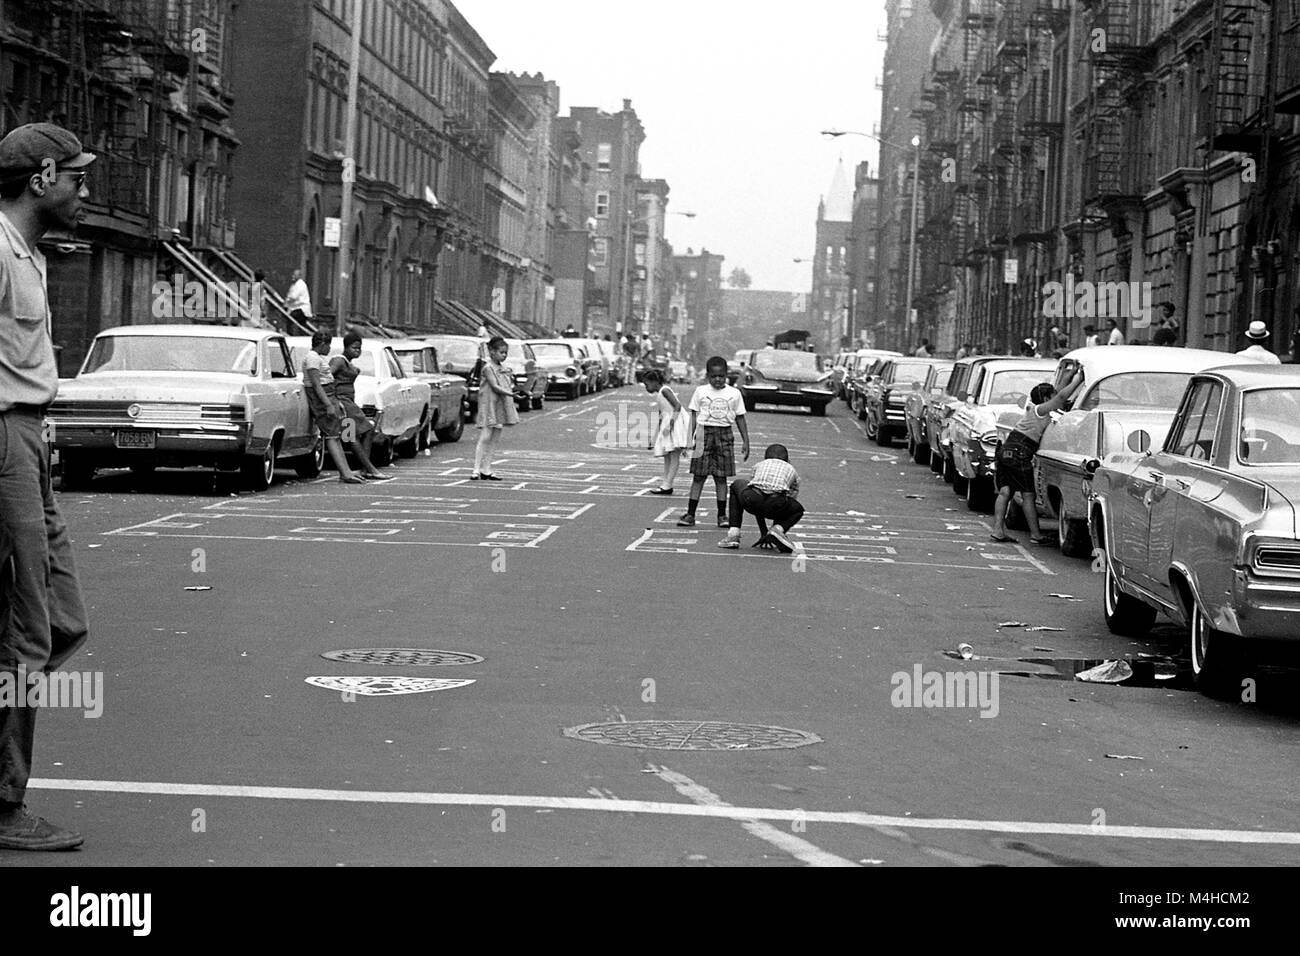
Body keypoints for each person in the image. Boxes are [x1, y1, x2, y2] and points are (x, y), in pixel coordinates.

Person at [0, 122, 94, 850]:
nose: (83, 190)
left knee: (61, 618)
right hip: (4, 437)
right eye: (76, 177)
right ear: (41, 178)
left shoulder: (26, 252)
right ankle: (5, 804)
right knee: (25, 631)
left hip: (30, 437)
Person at [989, 370, 1085, 546]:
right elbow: (1061, 397)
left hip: (1008, 449)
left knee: (1005, 492)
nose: (1057, 398)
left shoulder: (1033, 410)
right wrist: (1078, 380)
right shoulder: (1040, 410)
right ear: (1047, 398)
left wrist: (1070, 373)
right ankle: (1036, 535)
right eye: (1052, 396)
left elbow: (1058, 391)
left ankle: (997, 530)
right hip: (1020, 452)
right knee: (1028, 495)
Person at [677, 356, 750, 528]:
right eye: (714, 376)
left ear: (727, 375)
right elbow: (694, 416)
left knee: (721, 477)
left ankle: (722, 516)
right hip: (703, 434)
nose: (718, 380)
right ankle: (690, 514)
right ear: (708, 376)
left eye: (721, 376)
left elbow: (740, 418)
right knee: (698, 476)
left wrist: (746, 441)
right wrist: (689, 439)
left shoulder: (734, 393)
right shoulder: (701, 392)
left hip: (725, 434)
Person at [302, 330, 365, 483]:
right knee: (334, 435)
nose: (330, 349)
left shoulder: (318, 358)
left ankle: (347, 470)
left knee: (337, 435)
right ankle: (347, 472)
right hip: (325, 397)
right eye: (328, 345)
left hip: (333, 397)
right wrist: (328, 404)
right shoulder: (313, 359)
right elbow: (317, 384)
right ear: (323, 344)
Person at [718, 444, 804, 553]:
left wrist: (763, 531)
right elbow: (787, 503)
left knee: (737, 485)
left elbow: (757, 495)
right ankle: (778, 530)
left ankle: (733, 534)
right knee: (797, 509)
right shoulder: (792, 471)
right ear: (788, 460)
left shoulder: (759, 465)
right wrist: (772, 531)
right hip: (776, 503)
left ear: (765, 458)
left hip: (752, 499)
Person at [330, 331, 391, 480]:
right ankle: (369, 469)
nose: (357, 351)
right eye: (354, 348)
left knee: (365, 431)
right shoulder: (339, 360)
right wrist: (334, 400)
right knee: (352, 436)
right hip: (343, 404)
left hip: (350, 403)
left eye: (359, 348)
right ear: (346, 347)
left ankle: (364, 468)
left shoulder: (348, 362)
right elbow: (326, 377)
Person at [472, 336, 518, 480]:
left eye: (506, 353)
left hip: (499, 405)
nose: (504, 355)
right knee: (485, 436)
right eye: (501, 352)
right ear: (492, 352)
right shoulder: (488, 367)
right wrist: (511, 393)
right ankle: (476, 469)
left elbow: (506, 384)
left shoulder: (504, 369)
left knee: (495, 438)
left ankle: (487, 469)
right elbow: (495, 386)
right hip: (488, 405)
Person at [643, 368, 691, 494]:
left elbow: (677, 406)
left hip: (675, 424)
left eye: (647, 384)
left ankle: (668, 484)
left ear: (655, 381)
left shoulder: (665, 390)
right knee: (667, 456)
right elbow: (661, 416)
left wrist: (671, 425)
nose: (646, 387)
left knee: (674, 456)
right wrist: (653, 439)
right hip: (668, 423)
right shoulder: (660, 393)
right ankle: (666, 483)